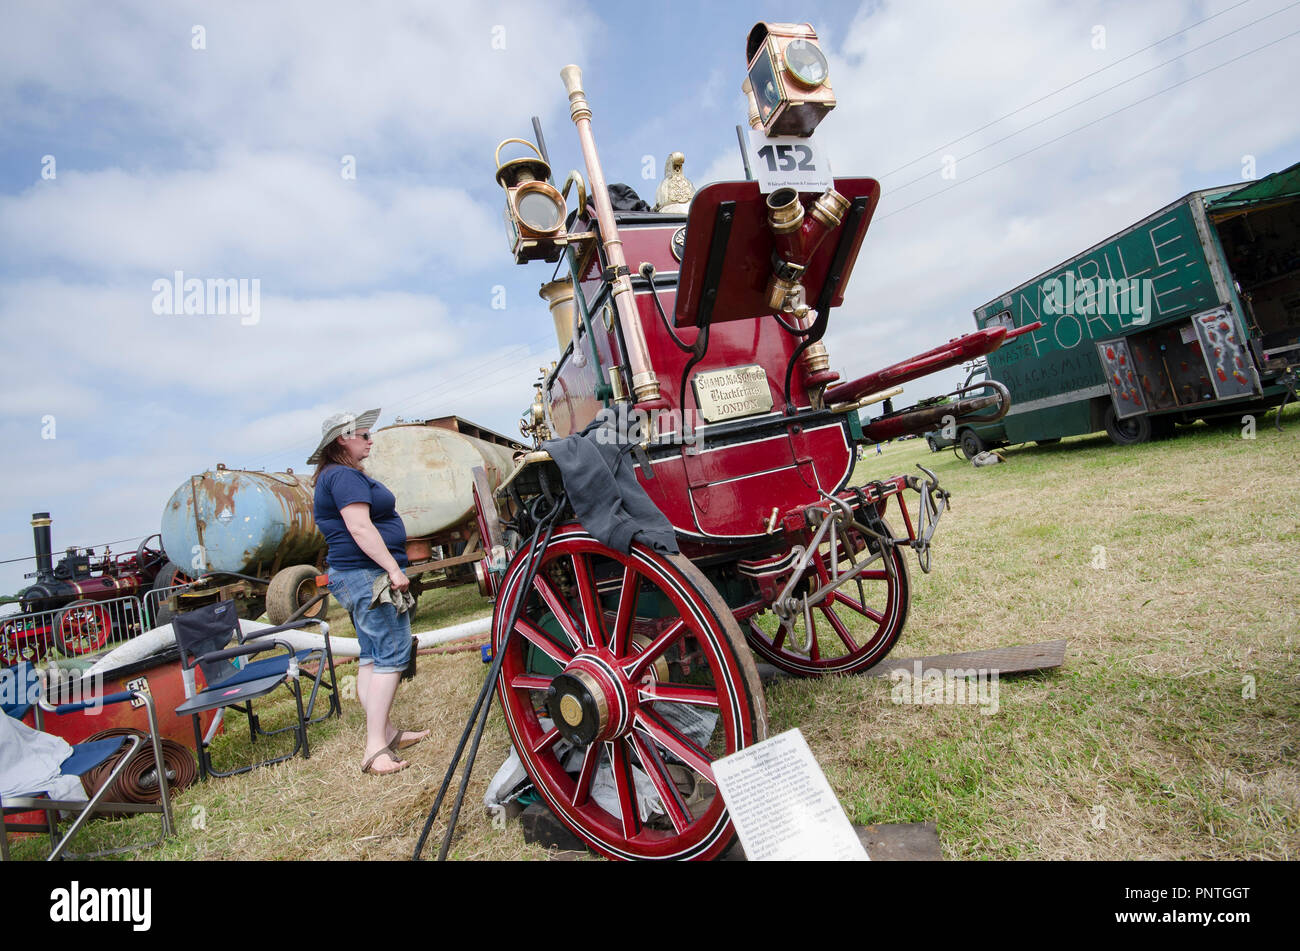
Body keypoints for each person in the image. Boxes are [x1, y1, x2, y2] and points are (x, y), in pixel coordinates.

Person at [309, 409, 429, 775]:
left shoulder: (334, 476)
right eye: (363, 434)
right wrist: (393, 569)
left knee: (372, 655)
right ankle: (375, 748)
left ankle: (386, 732)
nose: (370, 439)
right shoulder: (344, 476)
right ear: (342, 439)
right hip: (368, 574)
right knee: (392, 651)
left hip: (353, 574)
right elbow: (360, 528)